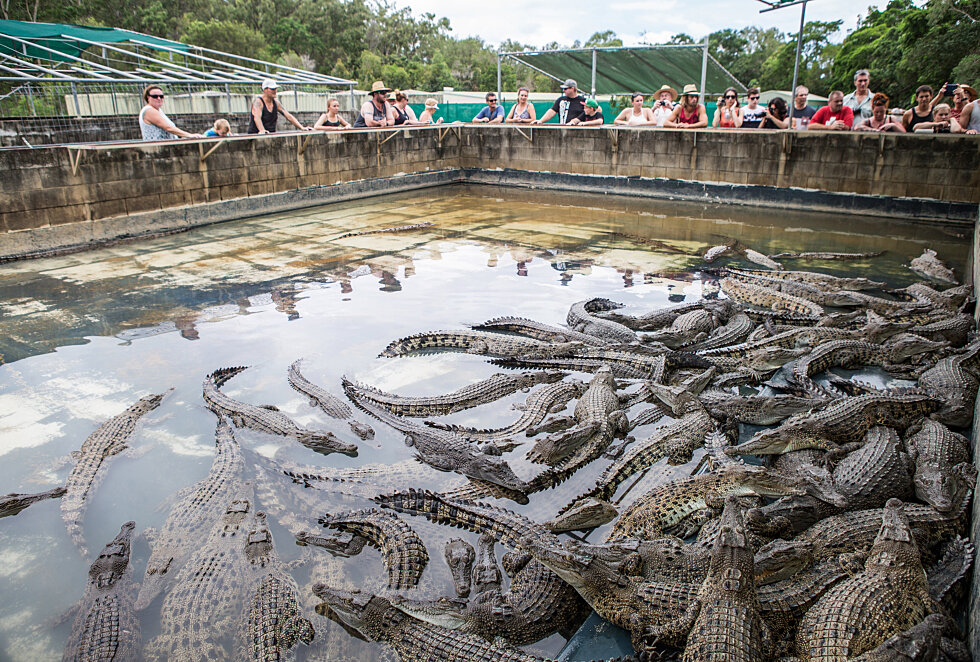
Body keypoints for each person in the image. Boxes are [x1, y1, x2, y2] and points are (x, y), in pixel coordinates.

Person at [138, 85, 202, 140]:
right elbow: (168, 128)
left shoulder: (158, 110)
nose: (159, 98)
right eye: (155, 96)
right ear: (148, 97)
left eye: (161, 96)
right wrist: (189, 135)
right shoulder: (149, 110)